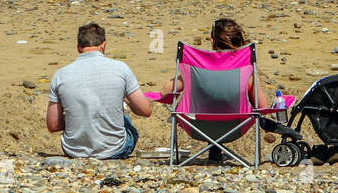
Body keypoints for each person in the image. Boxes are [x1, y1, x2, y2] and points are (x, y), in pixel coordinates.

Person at [158, 18, 269, 164]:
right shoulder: (246, 71)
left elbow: (164, 92)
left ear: (212, 41)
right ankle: (219, 149)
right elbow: (263, 107)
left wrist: (185, 81)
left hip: (196, 126)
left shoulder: (195, 69)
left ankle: (212, 148)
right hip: (236, 127)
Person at [46, 22, 153, 160]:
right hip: (115, 149)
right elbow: (145, 111)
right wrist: (124, 98)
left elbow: (53, 125)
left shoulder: (60, 75)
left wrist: (76, 117)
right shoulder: (121, 69)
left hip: (74, 150)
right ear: (103, 46)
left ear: (79, 48)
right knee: (123, 117)